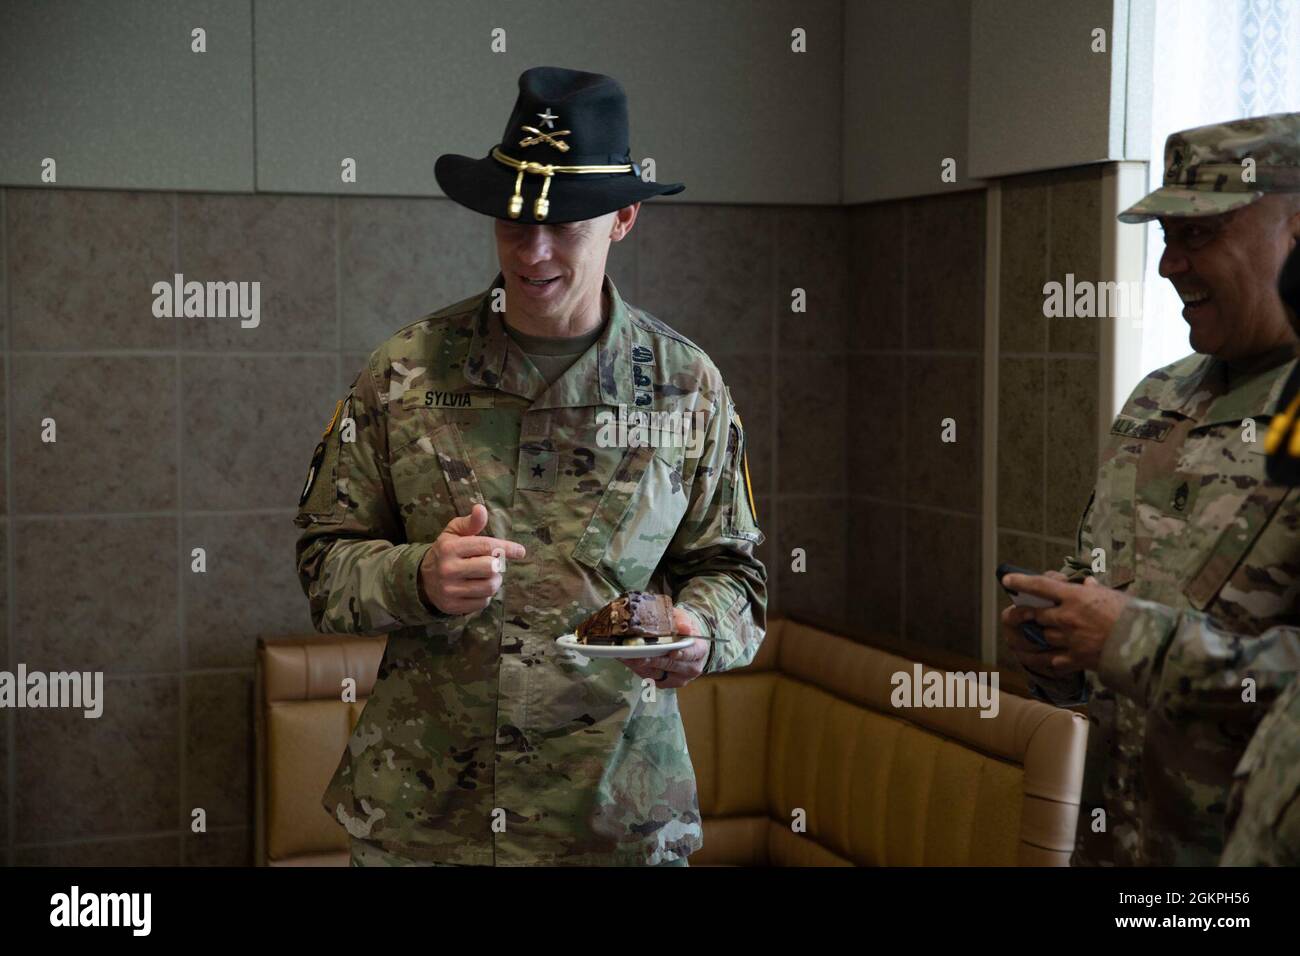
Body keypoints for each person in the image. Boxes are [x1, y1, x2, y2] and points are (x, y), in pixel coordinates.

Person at [293, 66, 767, 867]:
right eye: (513, 220)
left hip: (615, 822)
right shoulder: (405, 372)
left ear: (622, 217)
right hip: (430, 824)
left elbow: (735, 574)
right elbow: (322, 563)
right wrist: (418, 577)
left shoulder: (688, 387)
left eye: (564, 224)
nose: (533, 249)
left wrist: (699, 632)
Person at [1000, 112, 1300, 865]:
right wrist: (1058, 648)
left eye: (1201, 234)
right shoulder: (1157, 400)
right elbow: (1101, 590)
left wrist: (1132, 640)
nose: (1170, 265)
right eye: (1167, 236)